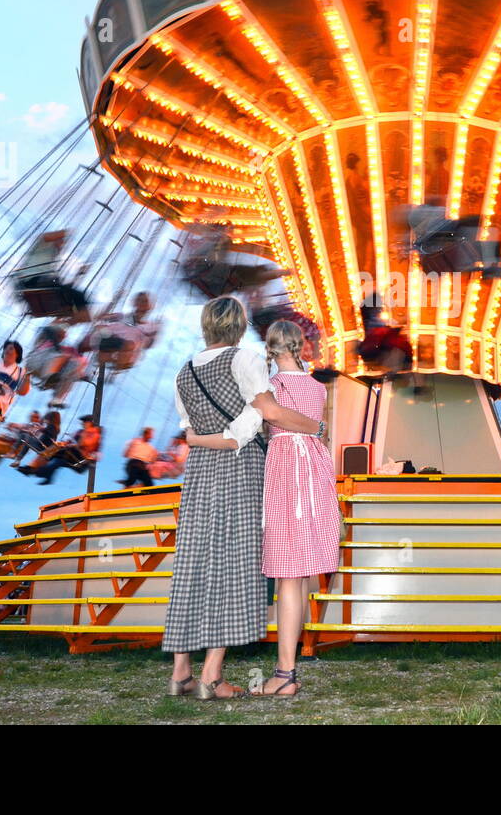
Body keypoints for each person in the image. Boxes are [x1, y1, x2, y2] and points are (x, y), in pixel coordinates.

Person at [163, 296, 322, 700]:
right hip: (239, 468)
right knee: (235, 565)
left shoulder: (184, 371)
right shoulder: (245, 360)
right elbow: (260, 417)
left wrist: (196, 440)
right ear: (238, 326)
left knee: (194, 562)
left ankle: (181, 672)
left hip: (199, 471)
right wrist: (316, 428)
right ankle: (211, 676)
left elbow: (188, 427)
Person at [32, 415, 101, 485]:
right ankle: (46, 474)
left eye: (84, 422)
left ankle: (42, 471)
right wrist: (62, 443)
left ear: (90, 423)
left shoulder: (94, 433)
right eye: (83, 422)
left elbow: (87, 444)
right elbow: (70, 441)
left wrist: (74, 444)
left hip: (81, 457)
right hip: (72, 454)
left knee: (61, 455)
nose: (82, 424)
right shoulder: (80, 432)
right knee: (57, 458)